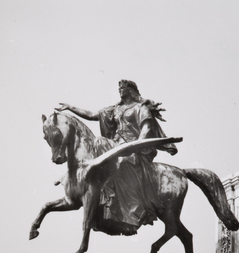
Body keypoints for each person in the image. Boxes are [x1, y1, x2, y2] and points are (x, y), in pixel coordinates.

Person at [56, 80, 177, 235]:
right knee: (100, 153)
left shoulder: (140, 108)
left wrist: (137, 145)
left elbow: (146, 128)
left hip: (133, 149)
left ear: (131, 91)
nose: (120, 90)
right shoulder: (115, 109)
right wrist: (70, 108)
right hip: (116, 147)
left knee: (107, 148)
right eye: (119, 88)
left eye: (123, 88)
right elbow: (93, 115)